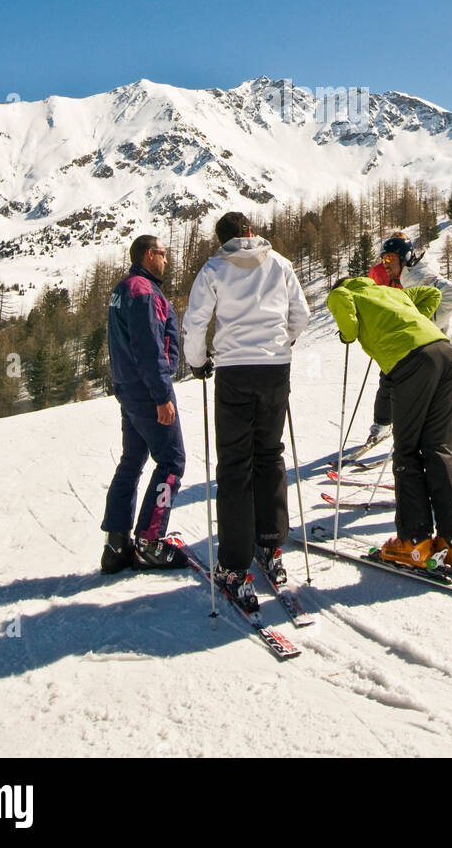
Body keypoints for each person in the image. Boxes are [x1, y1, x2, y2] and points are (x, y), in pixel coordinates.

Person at [183, 211, 310, 611]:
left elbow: (196, 321)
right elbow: (300, 316)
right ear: (251, 231)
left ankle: (235, 566)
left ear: (221, 240)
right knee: (270, 454)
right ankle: (270, 546)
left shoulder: (214, 268)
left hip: (235, 371)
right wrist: (279, 345)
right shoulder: (281, 263)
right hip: (274, 368)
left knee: (236, 464)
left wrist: (199, 361)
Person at [327, 276, 452, 570]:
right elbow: (431, 295)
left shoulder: (342, 294)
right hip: (447, 353)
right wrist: (412, 324)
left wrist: (350, 333)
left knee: (407, 450)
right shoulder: (387, 291)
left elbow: (347, 328)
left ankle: (414, 542)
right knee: (439, 447)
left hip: (412, 362)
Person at [366, 233, 452, 504]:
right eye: (383, 259)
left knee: (450, 420)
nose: (386, 264)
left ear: (406, 257)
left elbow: (451, 293)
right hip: (444, 349)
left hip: (445, 349)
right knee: (441, 419)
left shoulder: (418, 276)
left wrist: (428, 321)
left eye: (390, 259)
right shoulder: (410, 274)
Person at [101, 234, 188, 573]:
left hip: (128, 388)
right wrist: (162, 396)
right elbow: (149, 348)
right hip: (148, 392)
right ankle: (151, 541)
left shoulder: (124, 288)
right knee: (172, 461)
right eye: (163, 254)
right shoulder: (143, 291)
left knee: (132, 461)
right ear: (149, 255)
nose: (166, 260)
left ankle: (117, 543)